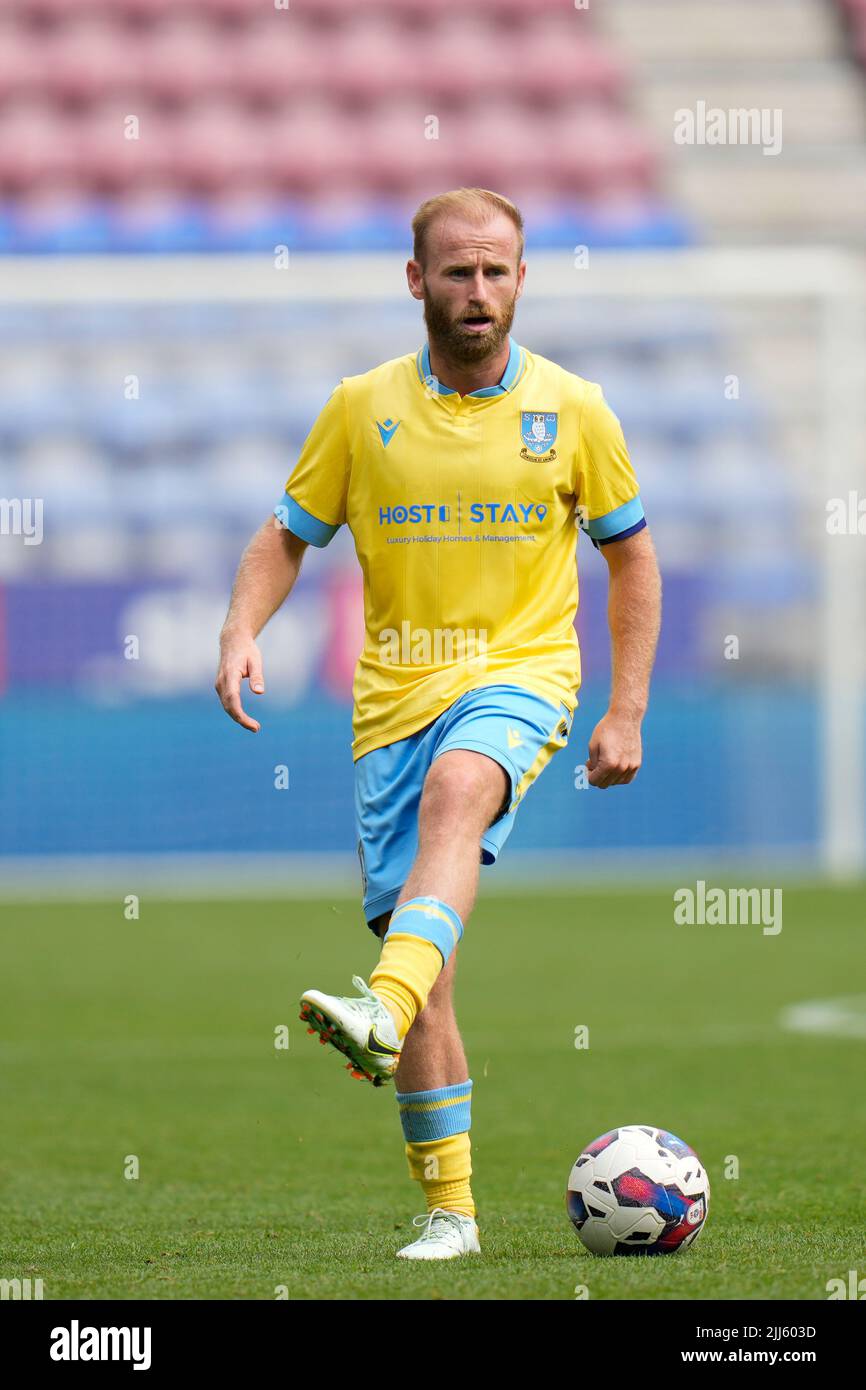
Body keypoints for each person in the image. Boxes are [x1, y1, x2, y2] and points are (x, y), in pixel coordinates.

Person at [215, 187, 661, 1261]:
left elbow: (629, 555)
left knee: (462, 788)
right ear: (415, 281)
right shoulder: (360, 408)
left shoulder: (575, 410)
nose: (478, 290)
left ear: (521, 280)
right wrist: (239, 630)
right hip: (391, 702)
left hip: (518, 676)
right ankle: (452, 1213)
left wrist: (624, 708)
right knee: (426, 987)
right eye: (457, 271)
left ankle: (375, 1004)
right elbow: (287, 533)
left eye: (497, 270)